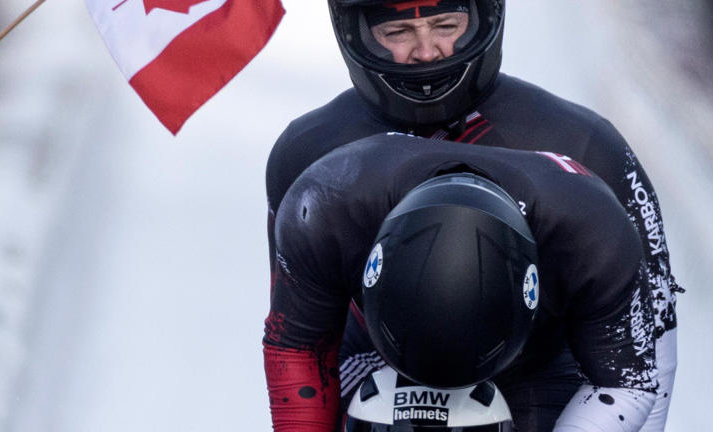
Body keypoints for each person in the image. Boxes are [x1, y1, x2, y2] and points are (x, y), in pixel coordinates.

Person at [265, 0, 681, 429]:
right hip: (378, 355)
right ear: (356, 33)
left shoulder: (589, 156)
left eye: (446, 25)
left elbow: (641, 364)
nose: (427, 52)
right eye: (398, 33)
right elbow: (298, 339)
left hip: (536, 368)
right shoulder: (313, 167)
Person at [264, 133, 662, 431]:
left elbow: (627, 382)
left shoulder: (595, 236)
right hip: (371, 344)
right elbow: (297, 345)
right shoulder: (325, 204)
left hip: (536, 358)